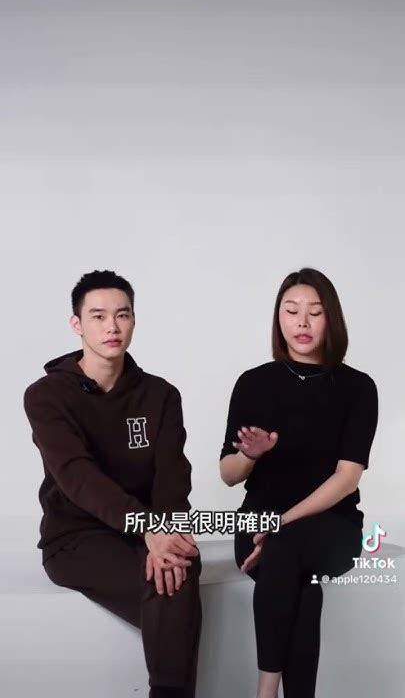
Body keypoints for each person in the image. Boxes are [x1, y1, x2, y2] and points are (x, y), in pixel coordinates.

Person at [23, 269, 202, 698]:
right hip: (75, 538)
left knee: (179, 567)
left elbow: (172, 477)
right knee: (166, 584)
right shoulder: (46, 396)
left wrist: (168, 532)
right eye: (98, 316)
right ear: (77, 324)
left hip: (148, 532)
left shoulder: (161, 395)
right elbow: (76, 476)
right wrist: (149, 528)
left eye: (122, 315)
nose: (112, 327)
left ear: (134, 321)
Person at [219, 267, 378, 698]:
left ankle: (264, 691)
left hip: (333, 526)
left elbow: (347, 478)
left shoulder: (358, 388)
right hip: (256, 526)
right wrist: (250, 455)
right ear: (279, 318)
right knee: (302, 585)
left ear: (332, 319)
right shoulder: (253, 383)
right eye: (291, 311)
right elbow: (228, 474)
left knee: (285, 547)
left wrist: (281, 524)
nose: (302, 322)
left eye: (315, 312)